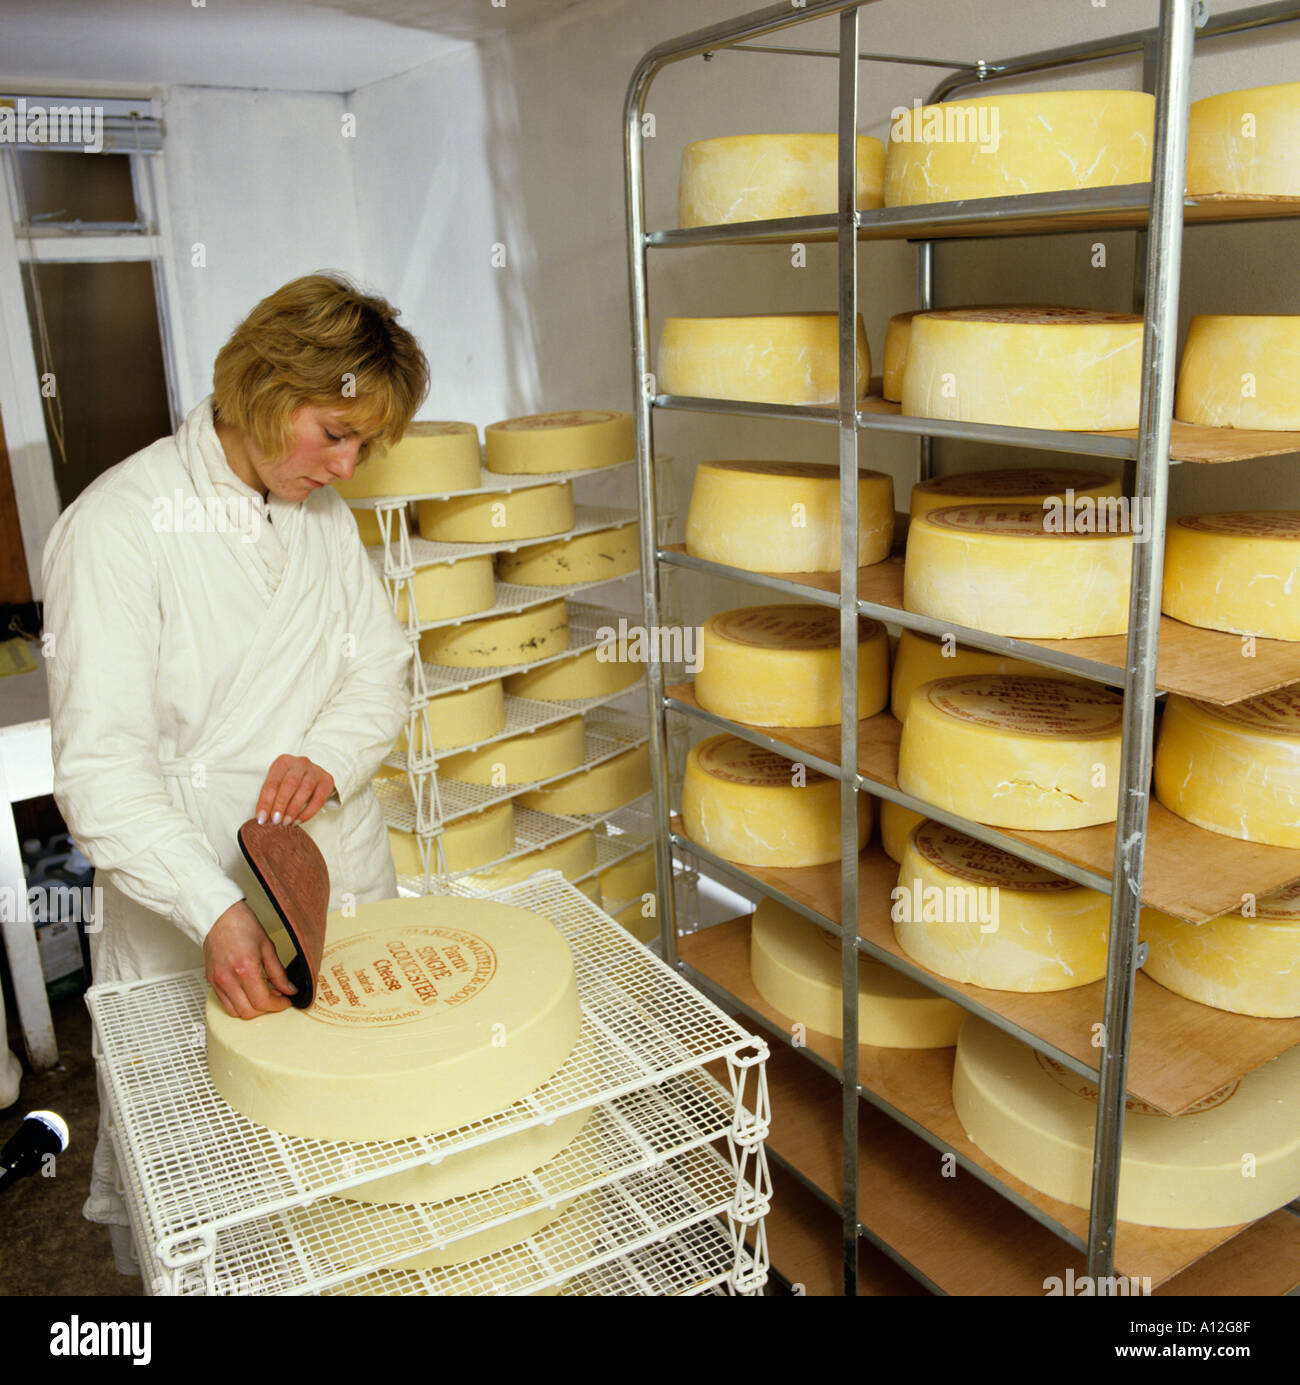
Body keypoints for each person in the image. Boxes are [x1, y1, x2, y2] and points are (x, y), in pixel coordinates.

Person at [41, 272, 429, 1271]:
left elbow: (380, 666)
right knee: (221, 1204)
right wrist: (211, 907)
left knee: (356, 1171)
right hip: (190, 911)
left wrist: (329, 756)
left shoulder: (319, 519)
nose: (346, 465)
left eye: (363, 443)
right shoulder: (117, 528)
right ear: (263, 386)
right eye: (333, 432)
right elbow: (101, 770)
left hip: (336, 874)